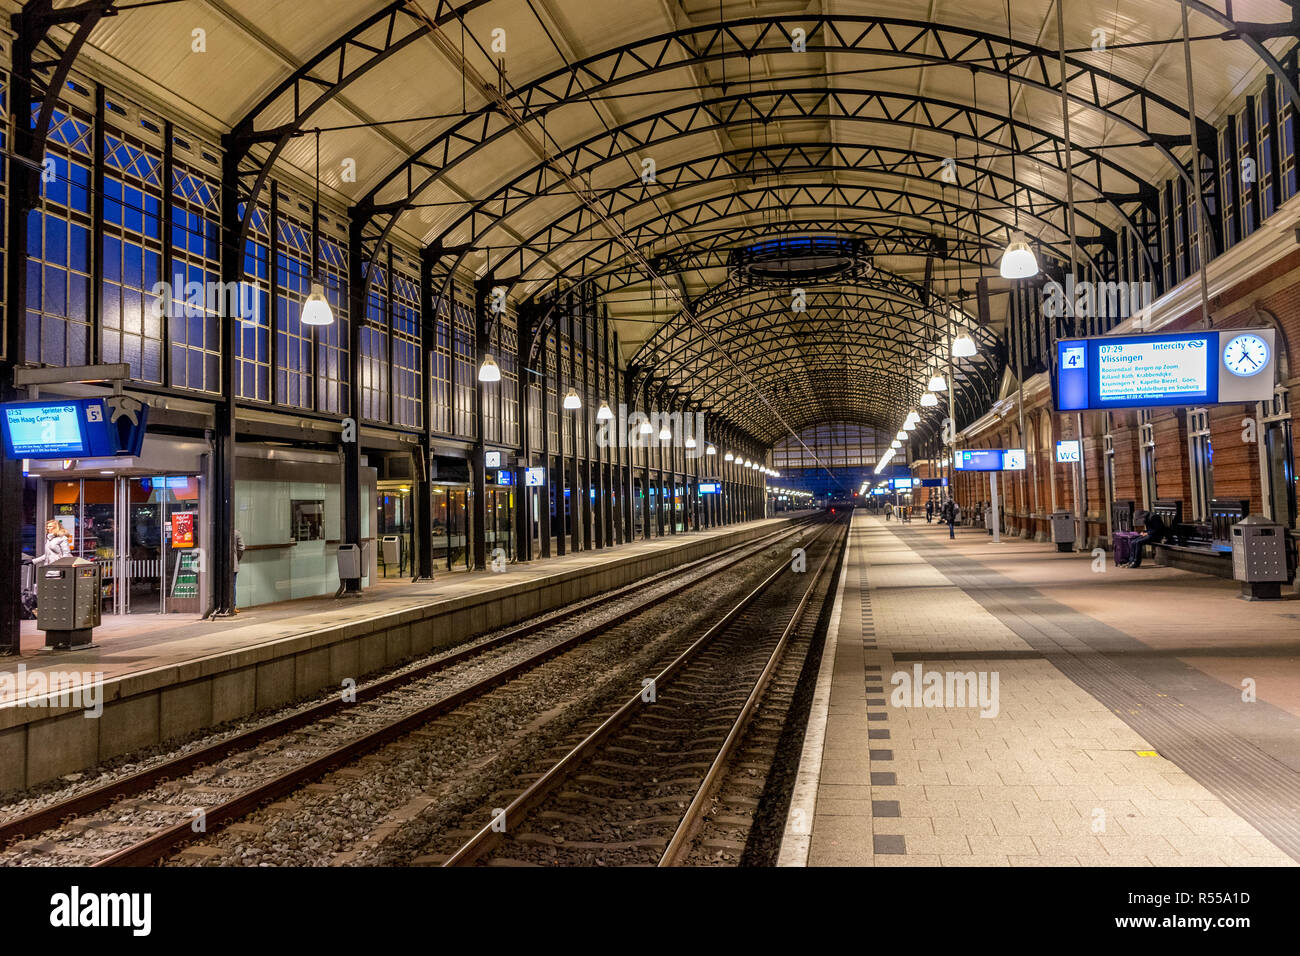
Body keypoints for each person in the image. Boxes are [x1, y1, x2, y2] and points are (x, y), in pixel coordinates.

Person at [232, 528, 246, 613]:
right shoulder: (236, 532)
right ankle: (232, 606)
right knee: (232, 585)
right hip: (233, 564)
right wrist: (236, 559)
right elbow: (241, 548)